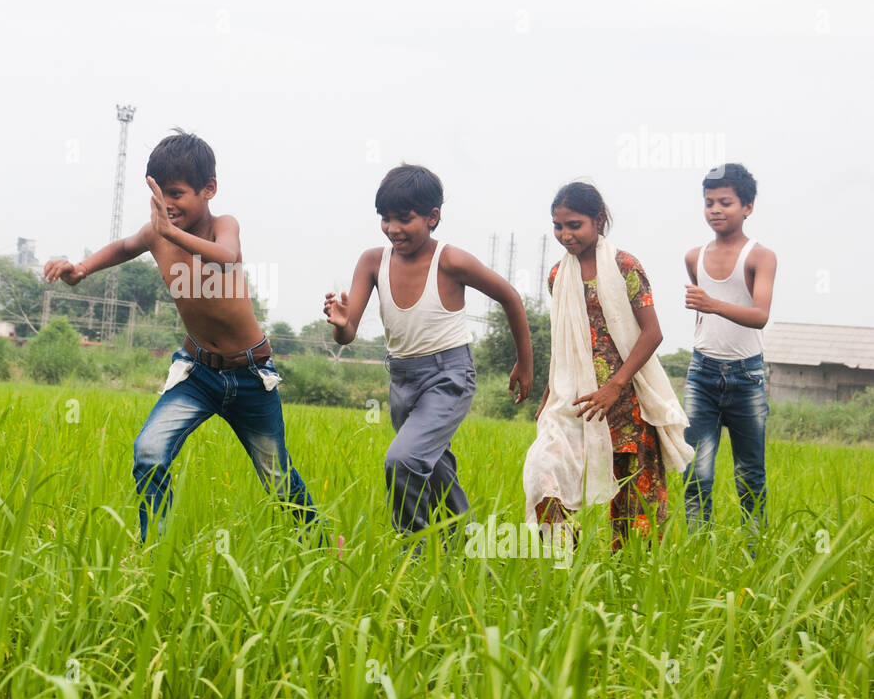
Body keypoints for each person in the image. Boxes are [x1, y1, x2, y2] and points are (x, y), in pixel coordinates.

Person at [43, 129, 321, 543]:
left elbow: (227, 258)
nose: (167, 206)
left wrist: (170, 233)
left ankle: (320, 546)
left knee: (277, 476)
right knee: (149, 452)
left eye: (176, 194)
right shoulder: (156, 231)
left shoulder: (222, 226)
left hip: (251, 375)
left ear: (208, 189)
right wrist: (81, 268)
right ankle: (153, 550)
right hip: (197, 373)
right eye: (159, 196)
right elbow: (123, 247)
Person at [324, 164, 534, 542]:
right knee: (434, 470)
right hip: (402, 381)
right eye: (385, 219)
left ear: (432, 217)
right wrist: (340, 323)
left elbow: (510, 297)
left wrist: (525, 362)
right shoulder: (373, 262)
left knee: (403, 460)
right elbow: (348, 335)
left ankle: (413, 554)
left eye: (404, 219)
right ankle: (469, 548)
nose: (393, 229)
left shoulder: (451, 261)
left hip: (448, 377)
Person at [524, 182, 693, 551]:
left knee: (634, 505)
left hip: (627, 402)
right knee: (545, 469)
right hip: (579, 402)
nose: (565, 235)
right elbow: (564, 341)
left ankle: (632, 581)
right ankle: (563, 560)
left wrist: (615, 385)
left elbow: (652, 333)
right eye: (558, 226)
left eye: (574, 225)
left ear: (598, 220)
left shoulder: (625, 266)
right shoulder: (558, 275)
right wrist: (550, 393)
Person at [682, 163, 776, 536]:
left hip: (746, 376)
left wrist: (712, 304)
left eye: (725, 202)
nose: (716, 210)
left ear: (748, 207)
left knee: (750, 474)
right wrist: (709, 310)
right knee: (696, 472)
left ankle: (755, 553)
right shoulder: (694, 256)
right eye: (709, 203)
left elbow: (760, 315)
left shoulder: (760, 256)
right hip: (701, 373)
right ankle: (696, 552)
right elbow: (702, 315)